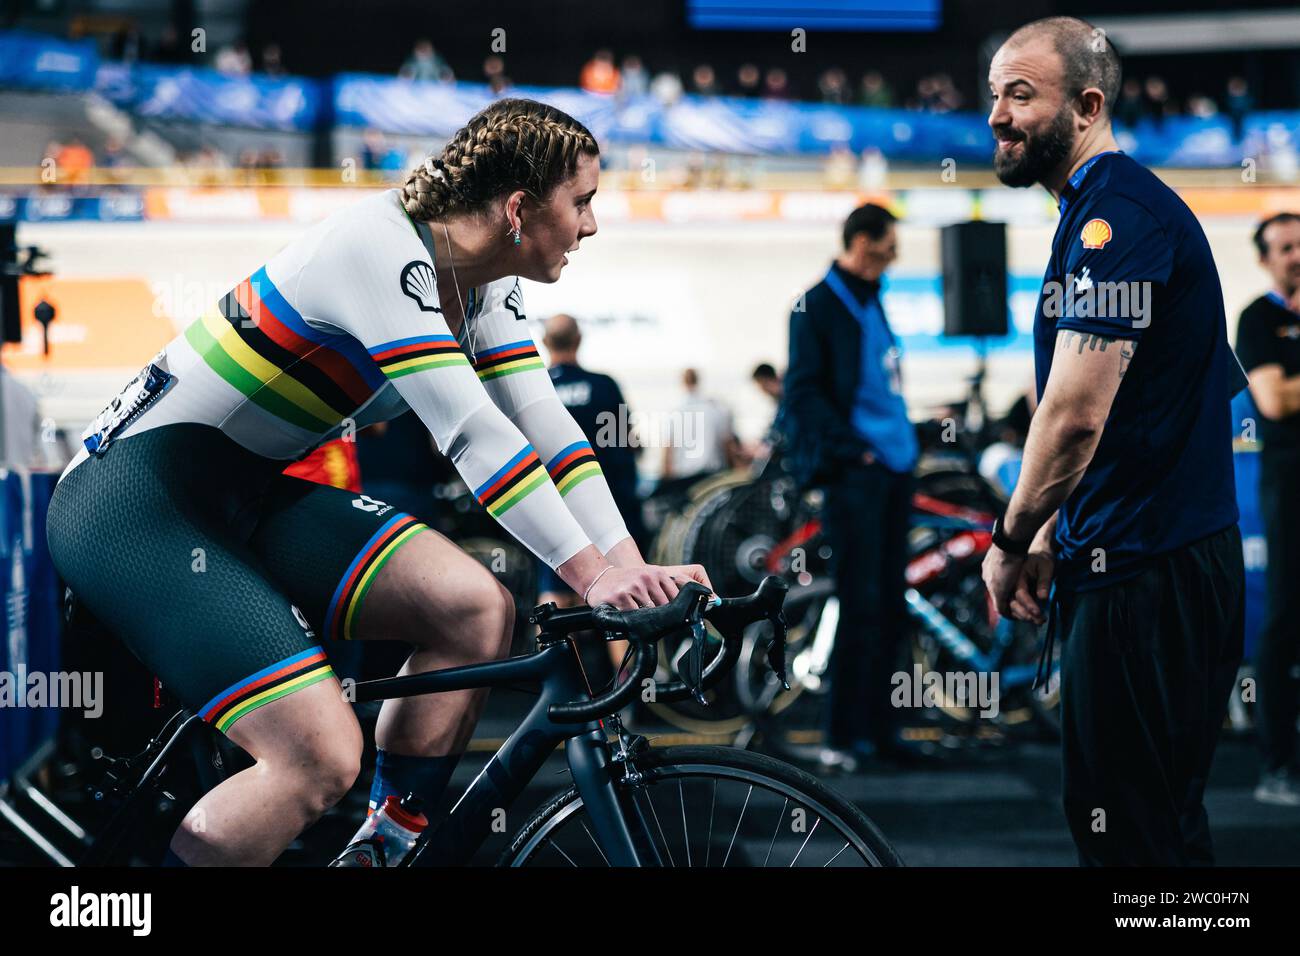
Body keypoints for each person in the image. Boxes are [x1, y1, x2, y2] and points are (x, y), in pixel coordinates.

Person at [45, 98, 710, 867]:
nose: (593, 224)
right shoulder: (377, 247)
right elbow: (473, 432)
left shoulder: (486, 282)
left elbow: (543, 423)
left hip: (240, 492)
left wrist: (626, 567)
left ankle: (383, 849)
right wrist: (590, 576)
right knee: (319, 757)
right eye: (584, 201)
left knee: (472, 609)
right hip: (133, 502)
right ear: (521, 208)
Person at [980, 17, 1245, 866]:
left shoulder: (1118, 221)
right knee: (1153, 828)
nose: (998, 116)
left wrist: (1011, 538)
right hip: (1142, 563)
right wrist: (1062, 526)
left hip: (1150, 576)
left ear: (1088, 105)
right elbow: (1143, 413)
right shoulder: (1103, 214)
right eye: (994, 96)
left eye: (1021, 94)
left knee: (1133, 835)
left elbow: (1075, 418)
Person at [784, 202, 923, 771]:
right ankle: (843, 736)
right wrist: (854, 453)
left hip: (892, 470)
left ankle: (883, 733)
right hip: (859, 476)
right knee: (859, 605)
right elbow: (804, 393)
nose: (894, 255)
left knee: (890, 607)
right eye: (888, 246)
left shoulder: (872, 296)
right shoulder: (817, 304)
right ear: (863, 243)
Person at [1235, 211, 1300, 805]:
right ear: (1265, 259)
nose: (1296, 255)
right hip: (1288, 486)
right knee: (1284, 619)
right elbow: (1275, 400)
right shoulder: (1259, 319)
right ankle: (1278, 766)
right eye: (1284, 248)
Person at [659, 368, 741, 484]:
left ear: (683, 382)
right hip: (713, 479)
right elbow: (728, 447)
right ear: (698, 380)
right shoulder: (717, 409)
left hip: (684, 480)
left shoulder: (673, 413)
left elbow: (667, 453)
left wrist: (665, 482)